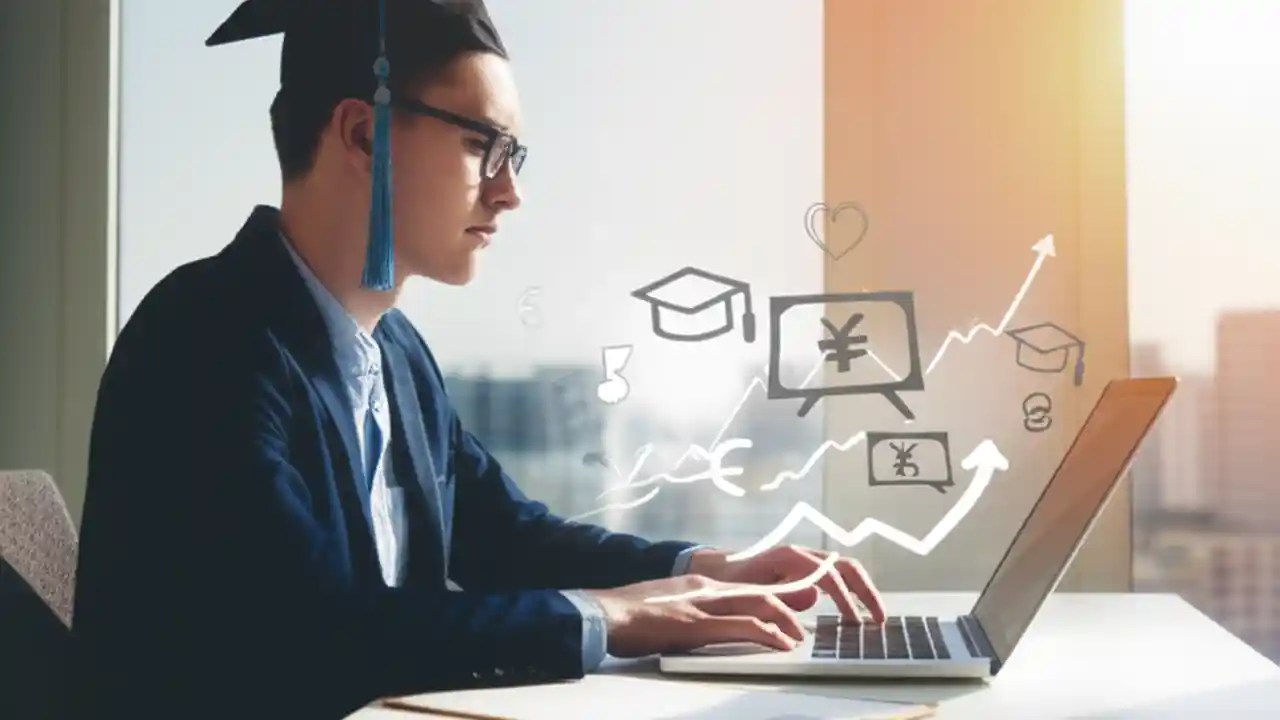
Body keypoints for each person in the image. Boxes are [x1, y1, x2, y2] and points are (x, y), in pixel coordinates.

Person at [69, 0, 885, 717]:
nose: (509, 191)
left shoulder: (394, 353)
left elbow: (505, 535)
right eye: (484, 145)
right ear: (362, 133)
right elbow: (315, 632)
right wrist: (616, 617)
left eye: (514, 156)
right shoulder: (209, 338)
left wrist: (705, 566)